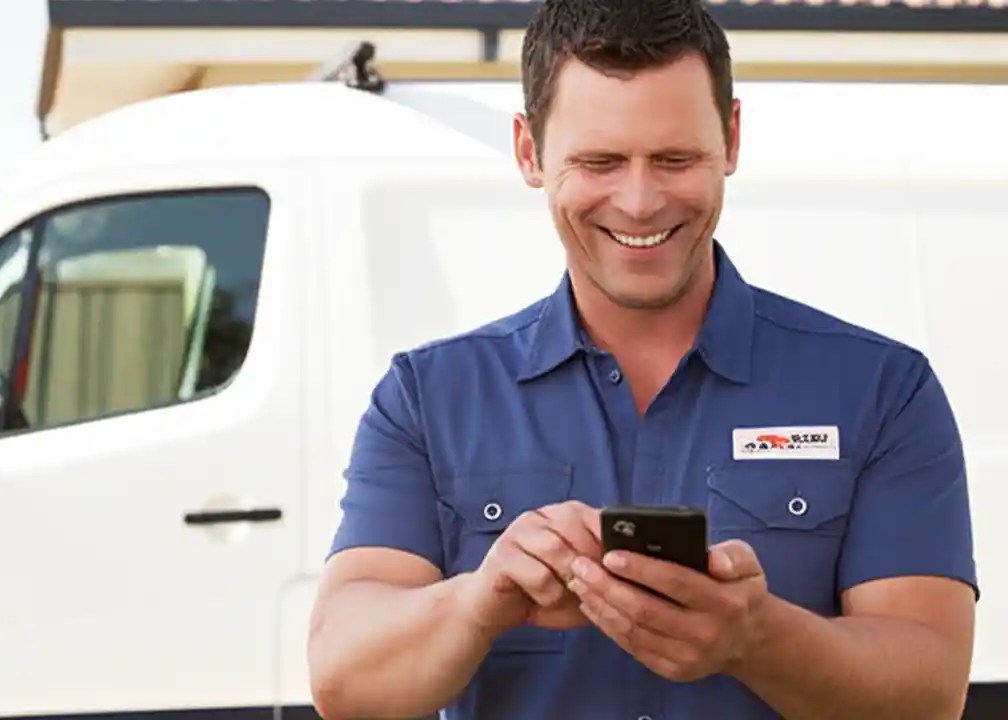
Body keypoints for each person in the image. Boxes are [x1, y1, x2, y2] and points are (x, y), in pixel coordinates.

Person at [305, 0, 979, 717]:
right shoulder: (427, 399)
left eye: (675, 159)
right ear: (529, 153)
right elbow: (345, 682)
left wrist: (758, 639)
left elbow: (929, 692)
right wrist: (480, 599)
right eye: (599, 161)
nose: (639, 200)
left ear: (731, 138)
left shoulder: (881, 391)